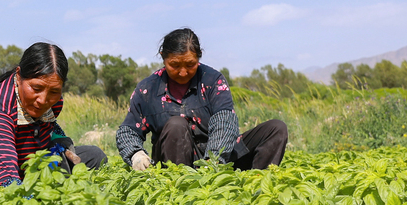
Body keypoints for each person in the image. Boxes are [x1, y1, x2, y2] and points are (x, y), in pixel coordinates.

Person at [0, 42, 107, 188]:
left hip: (21, 165)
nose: (43, 100)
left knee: (94, 157)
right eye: (36, 88)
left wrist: (59, 141)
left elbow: (48, 129)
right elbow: (6, 168)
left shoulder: (54, 102)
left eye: (54, 91)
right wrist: (19, 202)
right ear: (18, 76)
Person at [116, 28, 287, 171]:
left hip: (216, 159)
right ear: (163, 57)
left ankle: (256, 186)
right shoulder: (148, 89)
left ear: (199, 57)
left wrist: (212, 162)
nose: (183, 72)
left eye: (190, 64)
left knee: (276, 129)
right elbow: (129, 130)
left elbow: (224, 121)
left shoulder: (213, 81)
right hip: (173, 161)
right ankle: (179, 191)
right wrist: (135, 154)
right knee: (176, 125)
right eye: (174, 65)